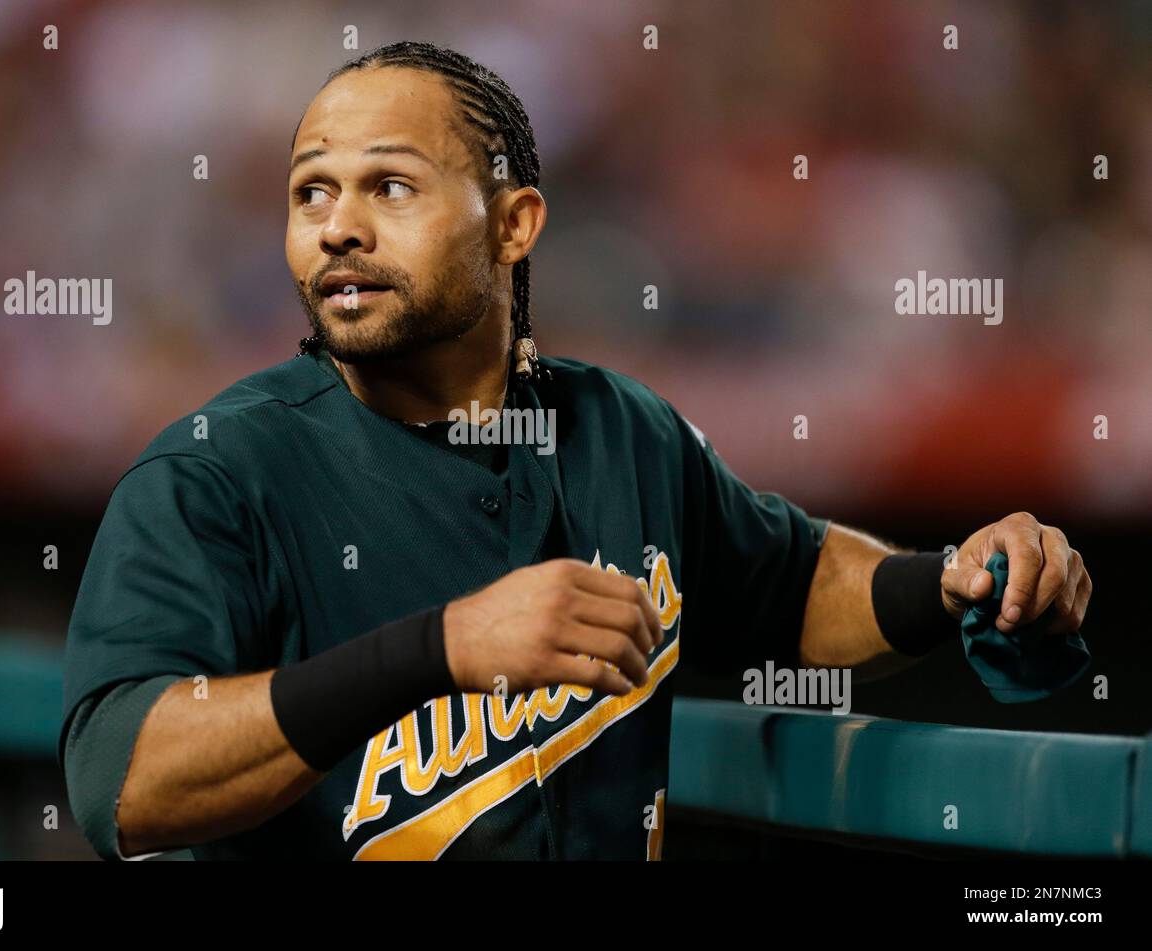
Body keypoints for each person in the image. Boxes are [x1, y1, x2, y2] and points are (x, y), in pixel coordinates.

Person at [60, 41, 1092, 861]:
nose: (336, 227)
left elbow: (786, 579)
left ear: (513, 225)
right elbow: (123, 775)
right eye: (310, 193)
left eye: (390, 187)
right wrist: (440, 650)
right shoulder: (215, 470)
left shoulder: (620, 431)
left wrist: (951, 583)